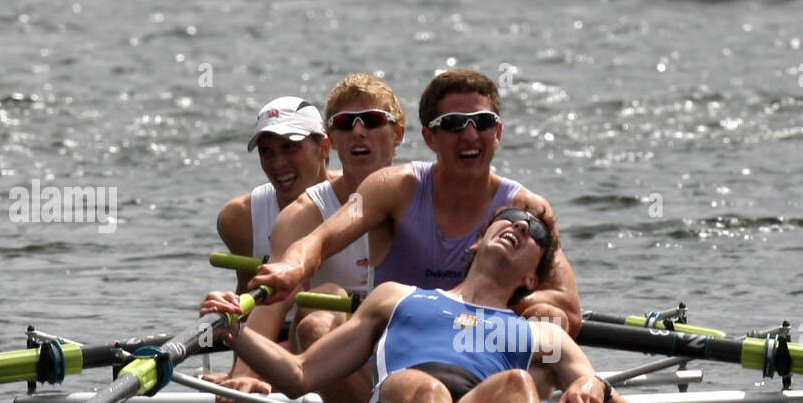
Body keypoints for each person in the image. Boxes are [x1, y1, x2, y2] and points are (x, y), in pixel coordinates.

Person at [201, 207, 645, 403]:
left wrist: (598, 391)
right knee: (423, 385)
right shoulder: (397, 297)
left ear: (531, 279)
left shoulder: (542, 335)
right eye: (507, 218)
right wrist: (236, 333)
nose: (519, 226)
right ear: (477, 242)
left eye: (534, 233)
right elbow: (300, 376)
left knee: (516, 382)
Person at [247, 68, 583, 337]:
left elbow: (568, 310)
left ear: (497, 133)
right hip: (398, 345)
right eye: (452, 125)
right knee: (315, 324)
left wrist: (485, 302)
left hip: (480, 342)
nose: (469, 136)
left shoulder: (526, 208)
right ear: (429, 137)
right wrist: (292, 268)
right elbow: (318, 241)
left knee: (549, 317)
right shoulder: (395, 187)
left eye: (481, 123)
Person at [215, 75, 405, 403]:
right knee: (323, 306)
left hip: (404, 340)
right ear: (334, 139)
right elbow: (269, 299)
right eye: (346, 125)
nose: (278, 163)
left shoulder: (426, 191)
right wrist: (245, 371)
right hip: (327, 344)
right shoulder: (297, 215)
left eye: (373, 121)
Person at [215, 96, 332, 293]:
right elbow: (246, 300)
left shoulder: (360, 201)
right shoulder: (239, 218)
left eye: (289, 147)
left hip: (343, 319)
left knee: (314, 325)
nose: (278, 164)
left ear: (324, 148)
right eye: (266, 152)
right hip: (271, 321)